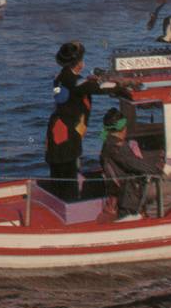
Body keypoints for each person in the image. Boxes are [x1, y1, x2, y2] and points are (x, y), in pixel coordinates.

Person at [45, 41, 122, 200]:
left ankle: (60, 201)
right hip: (66, 133)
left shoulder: (61, 76)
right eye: (81, 59)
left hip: (58, 129)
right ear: (77, 62)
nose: (83, 62)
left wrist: (89, 80)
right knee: (68, 172)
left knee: (59, 172)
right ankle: (70, 206)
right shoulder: (74, 81)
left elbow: (77, 86)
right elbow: (97, 88)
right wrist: (121, 85)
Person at [99, 108, 171, 220]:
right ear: (123, 129)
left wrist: (154, 161)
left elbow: (134, 163)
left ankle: (153, 204)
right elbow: (138, 165)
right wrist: (158, 166)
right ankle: (148, 214)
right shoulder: (118, 148)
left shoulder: (109, 143)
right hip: (134, 189)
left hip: (130, 185)